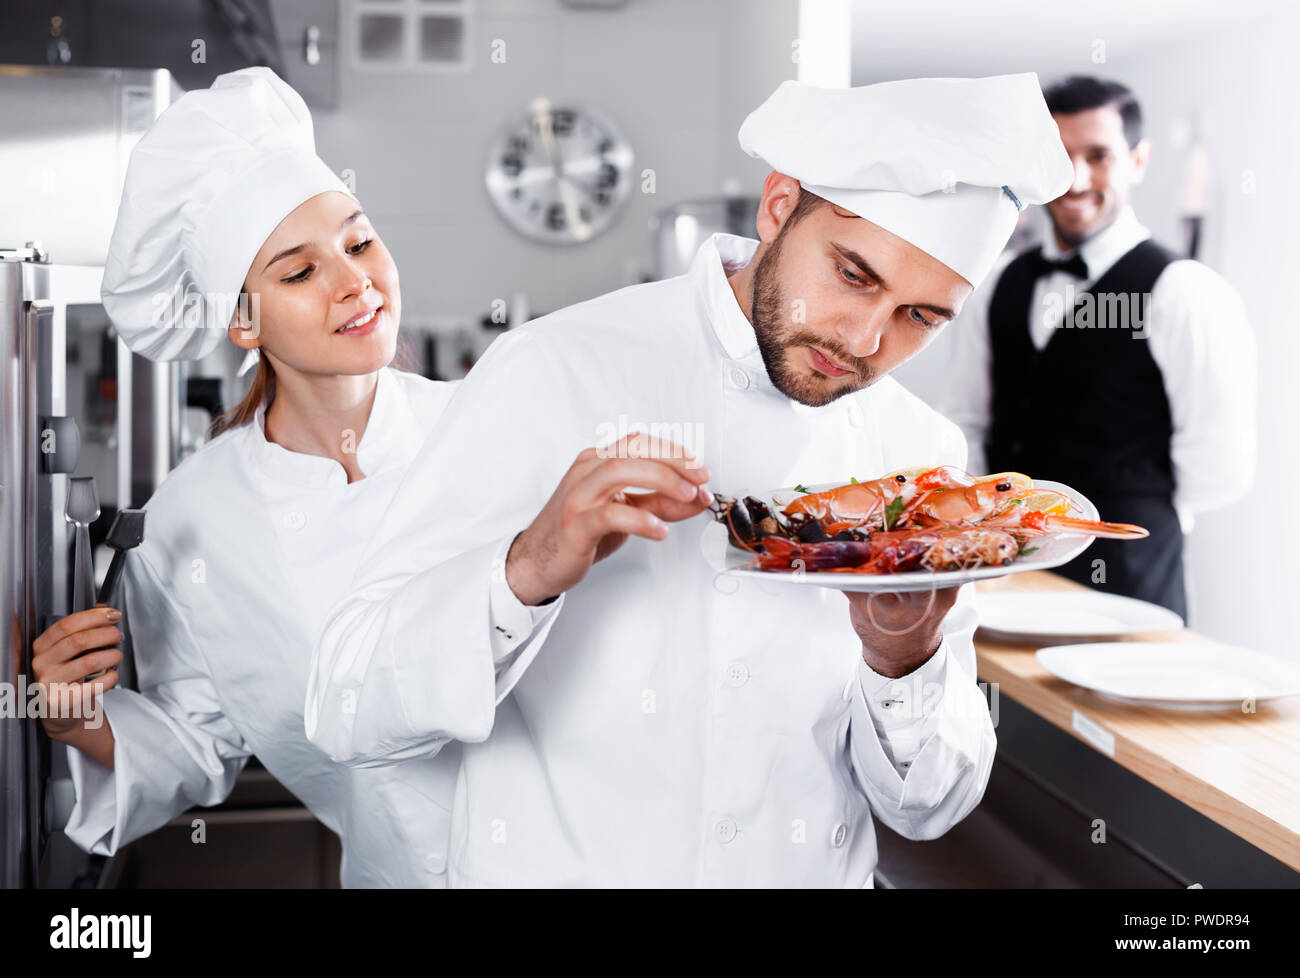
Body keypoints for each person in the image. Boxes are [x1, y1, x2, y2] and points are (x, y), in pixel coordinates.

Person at [305, 74, 1074, 887]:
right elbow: (346, 708)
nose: (866, 341)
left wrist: (904, 660)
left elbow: (929, 809)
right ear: (778, 206)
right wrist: (526, 568)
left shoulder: (921, 456)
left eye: (922, 317)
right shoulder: (556, 368)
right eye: (854, 275)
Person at [29, 68, 556, 887]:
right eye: (299, 272)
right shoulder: (195, 522)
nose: (353, 283)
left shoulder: (495, 428)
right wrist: (75, 718)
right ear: (242, 320)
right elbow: (194, 739)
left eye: (358, 242)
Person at [940, 76, 1256, 618]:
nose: (1077, 178)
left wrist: (1132, 499)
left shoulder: (1185, 290)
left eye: (1098, 156)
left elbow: (1218, 466)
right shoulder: (998, 283)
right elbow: (966, 421)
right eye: (1061, 158)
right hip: (1008, 574)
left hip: (1132, 582)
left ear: (1137, 160)